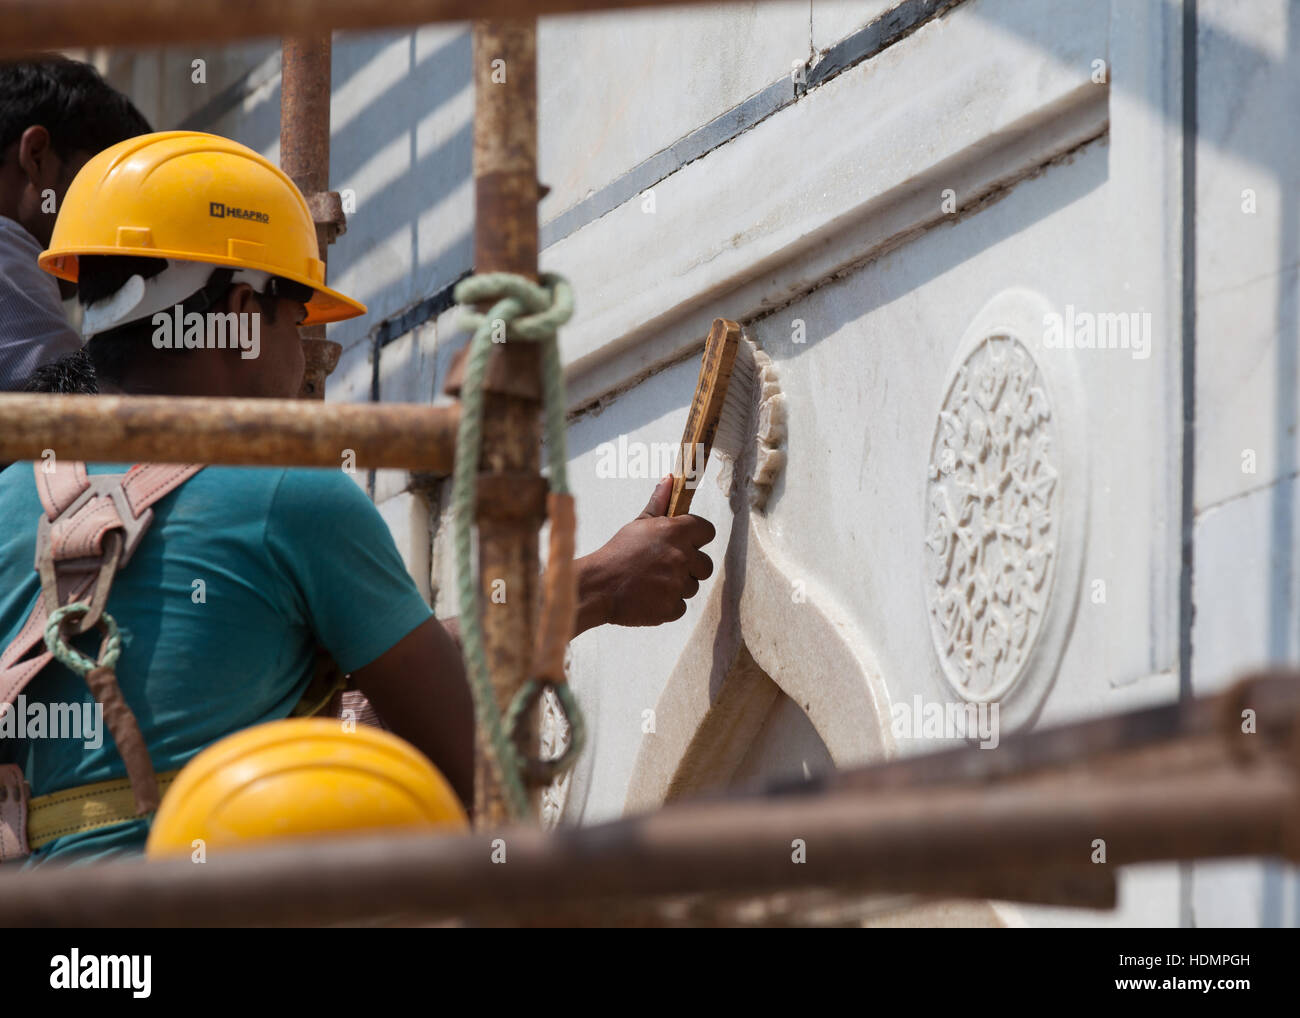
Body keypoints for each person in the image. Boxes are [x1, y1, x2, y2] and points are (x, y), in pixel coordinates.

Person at [0, 131, 715, 865]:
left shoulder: (10, 498)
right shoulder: (288, 488)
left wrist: (593, 587)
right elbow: (469, 765)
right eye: (298, 319)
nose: (309, 359)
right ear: (242, 312)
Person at [0, 56, 151, 389]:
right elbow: (68, 421)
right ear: (36, 156)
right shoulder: (6, 248)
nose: (114, 225)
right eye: (106, 190)